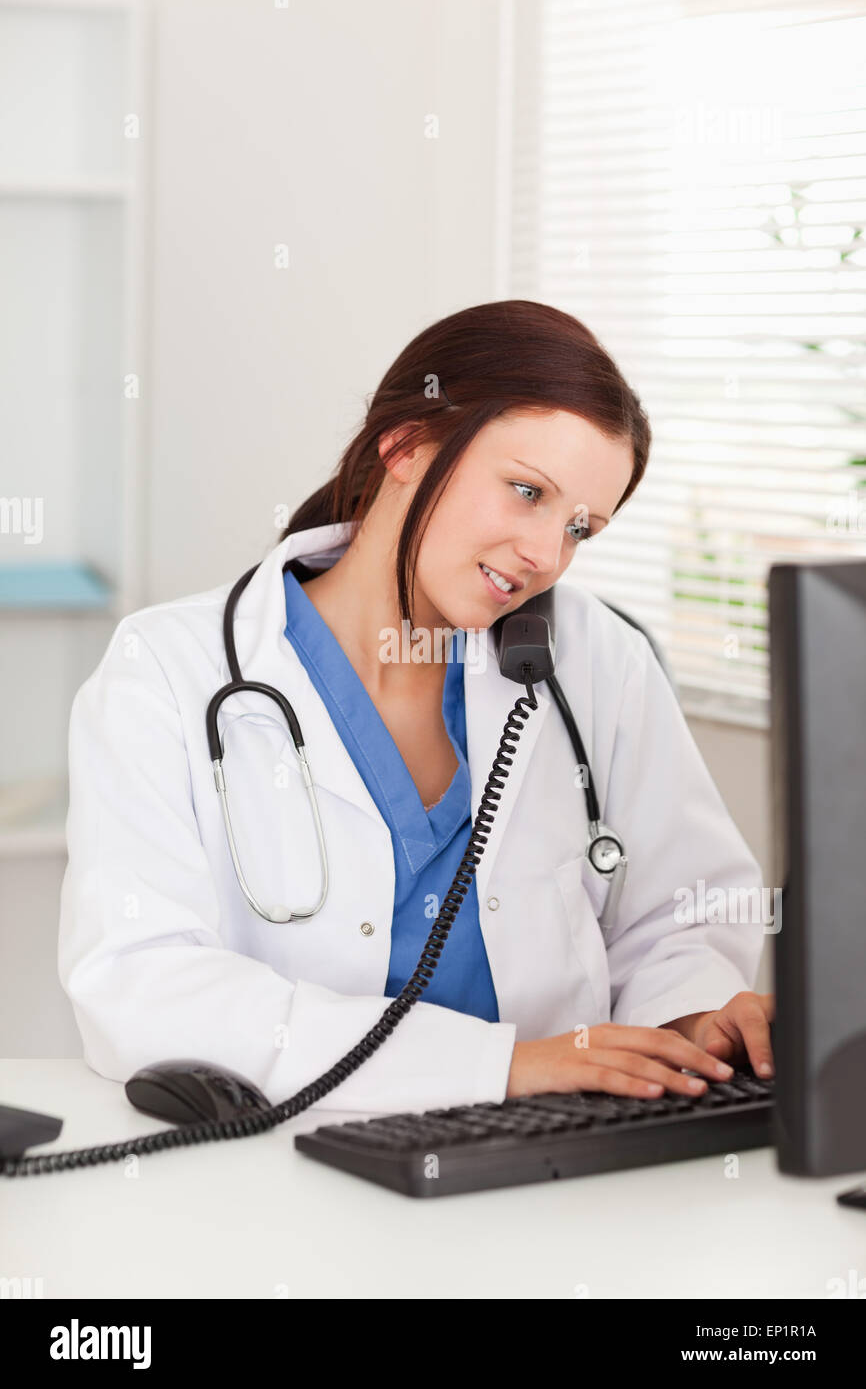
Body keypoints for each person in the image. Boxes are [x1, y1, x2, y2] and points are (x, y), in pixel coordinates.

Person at [58, 299, 774, 1115]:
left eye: (581, 526)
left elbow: (685, 913)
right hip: (276, 1173)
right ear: (404, 446)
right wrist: (500, 1065)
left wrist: (699, 1018)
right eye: (525, 491)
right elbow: (141, 984)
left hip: (560, 1165)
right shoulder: (169, 670)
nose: (546, 555)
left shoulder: (599, 659)